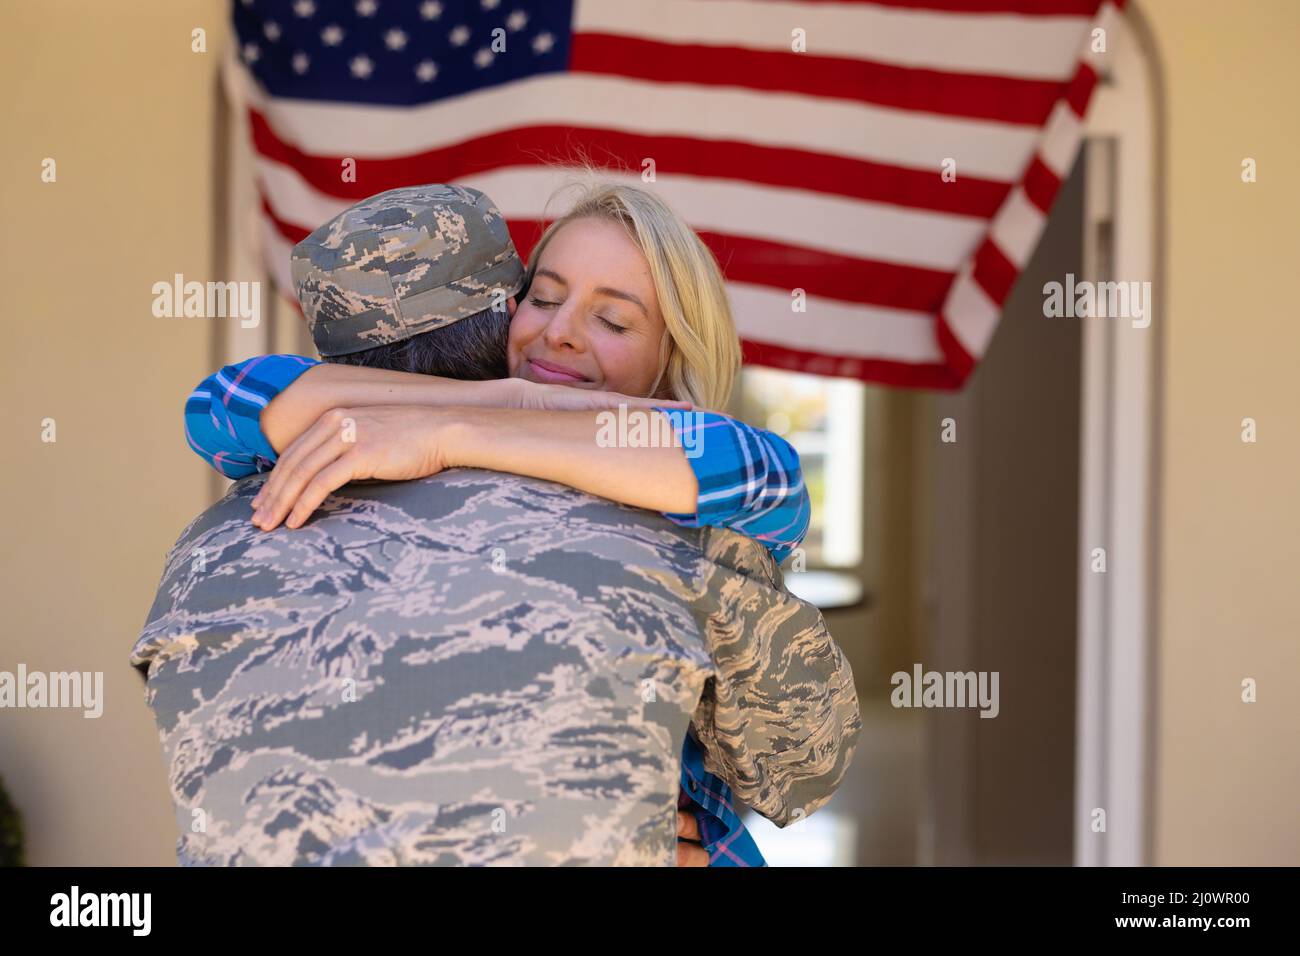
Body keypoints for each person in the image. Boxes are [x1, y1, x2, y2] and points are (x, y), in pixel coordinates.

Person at [151, 183, 859, 865]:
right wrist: (503, 401)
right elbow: (220, 406)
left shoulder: (693, 503)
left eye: (613, 321)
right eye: (543, 299)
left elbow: (766, 473)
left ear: (672, 363)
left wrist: (458, 429)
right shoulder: (389, 448)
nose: (560, 333)